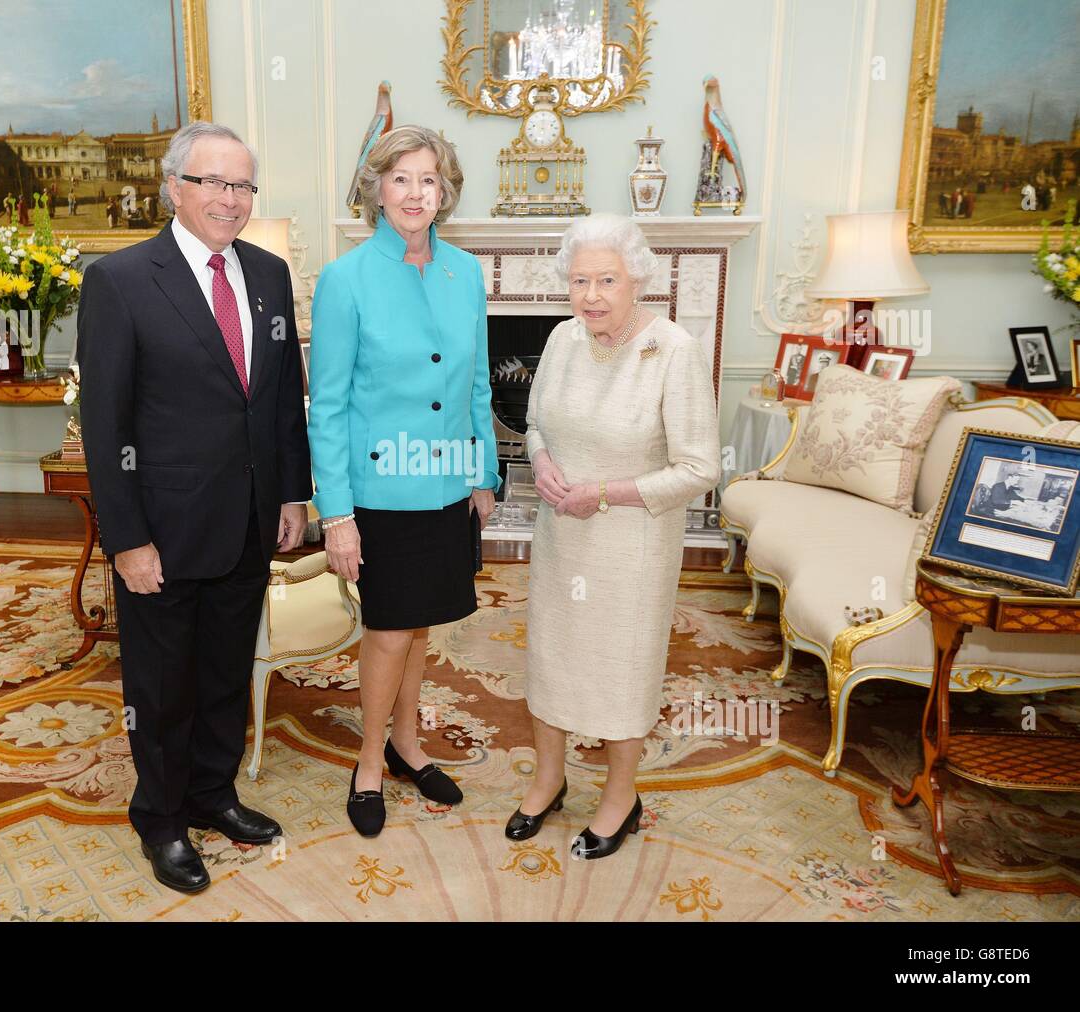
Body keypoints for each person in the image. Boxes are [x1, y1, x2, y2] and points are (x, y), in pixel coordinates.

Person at [77, 121, 311, 893]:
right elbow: (107, 426)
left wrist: (290, 494)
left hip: (248, 521)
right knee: (161, 683)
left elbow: (282, 403)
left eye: (243, 184)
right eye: (213, 181)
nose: (230, 199)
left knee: (221, 673)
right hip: (164, 533)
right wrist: (127, 539)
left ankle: (213, 795)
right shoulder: (120, 280)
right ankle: (162, 818)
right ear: (173, 187)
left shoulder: (271, 276)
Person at [308, 124, 501, 838]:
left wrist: (482, 474)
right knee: (389, 631)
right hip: (379, 493)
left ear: (444, 192)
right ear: (376, 190)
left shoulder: (466, 273)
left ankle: (408, 744)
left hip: (447, 486)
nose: (415, 192)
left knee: (420, 626)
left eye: (429, 179)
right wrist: (337, 513)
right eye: (401, 179)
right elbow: (325, 406)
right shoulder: (345, 277)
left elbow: (477, 380)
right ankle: (367, 759)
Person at [513, 213, 720, 860]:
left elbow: (699, 468)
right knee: (552, 653)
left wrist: (604, 493)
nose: (592, 295)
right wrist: (541, 461)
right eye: (580, 280)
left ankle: (621, 796)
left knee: (620, 667)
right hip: (561, 536)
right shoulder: (560, 339)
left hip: (633, 543)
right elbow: (536, 421)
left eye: (607, 279)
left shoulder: (674, 351)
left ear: (637, 280)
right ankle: (549, 779)